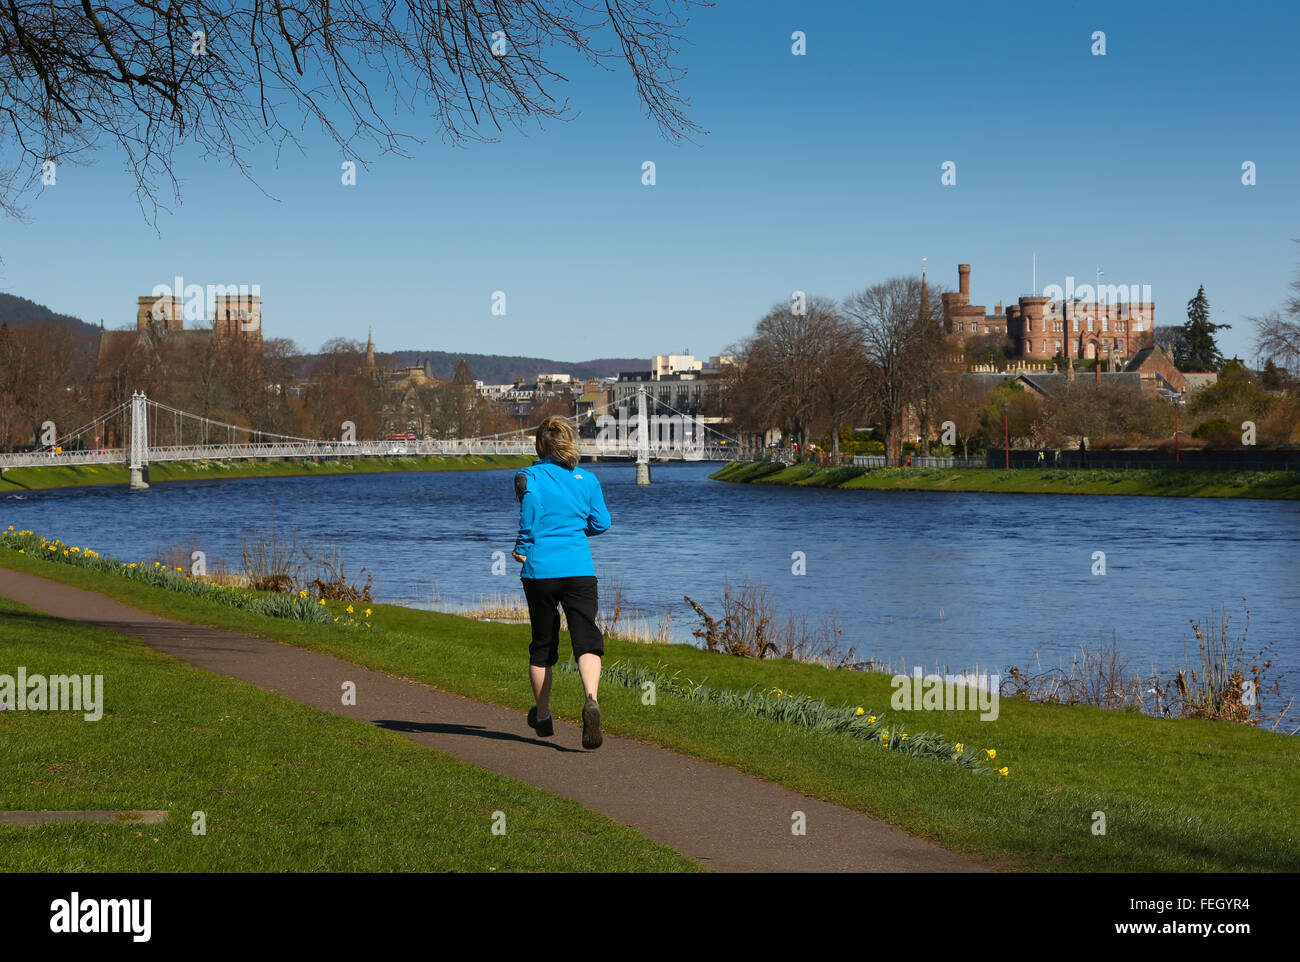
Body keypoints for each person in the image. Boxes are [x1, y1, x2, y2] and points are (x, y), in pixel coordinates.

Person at [512, 416, 611, 749]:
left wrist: (522, 547)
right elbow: (602, 522)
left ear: (539, 444)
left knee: (542, 645)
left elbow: (530, 511)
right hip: (579, 568)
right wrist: (574, 532)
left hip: (540, 570)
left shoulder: (528, 476)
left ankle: (542, 716)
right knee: (586, 638)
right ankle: (591, 699)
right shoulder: (588, 479)